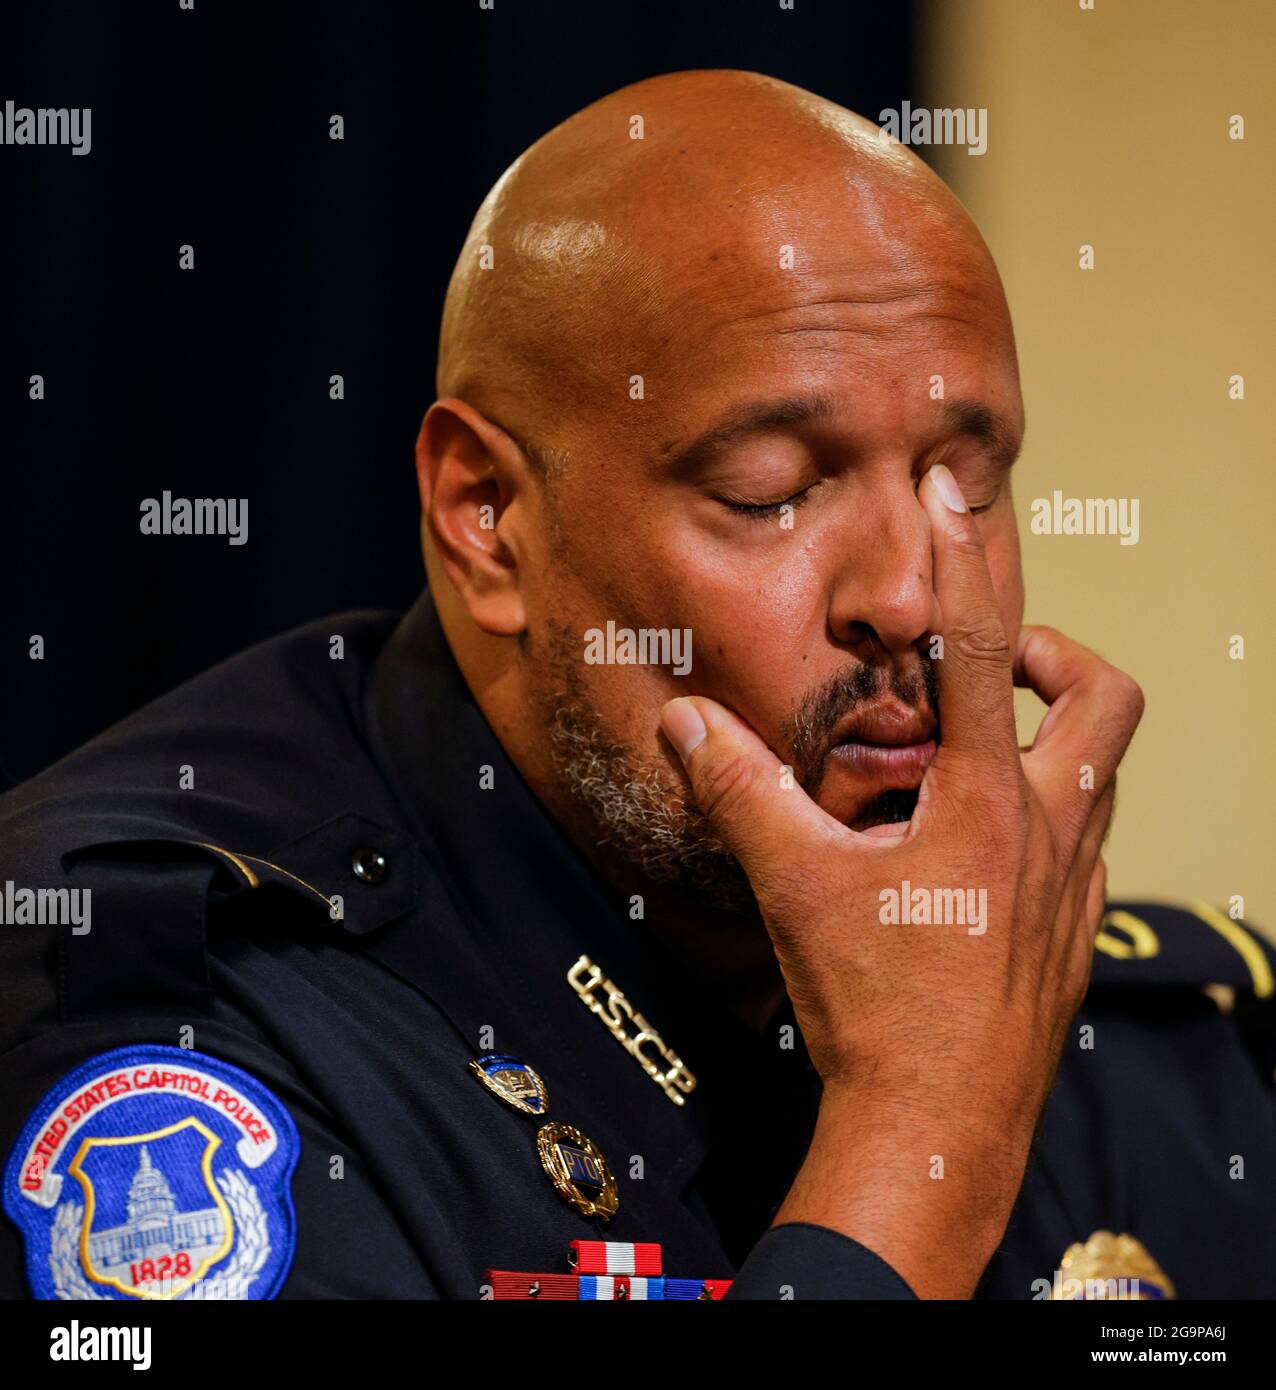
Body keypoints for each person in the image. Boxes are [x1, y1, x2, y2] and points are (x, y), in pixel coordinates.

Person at [2, 70, 1273, 1302]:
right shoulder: (170, 1027)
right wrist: (917, 1132)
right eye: (771, 490)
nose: (915, 597)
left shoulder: (1181, 1053)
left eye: (966, 485)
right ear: (487, 516)